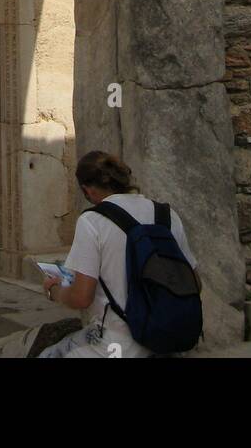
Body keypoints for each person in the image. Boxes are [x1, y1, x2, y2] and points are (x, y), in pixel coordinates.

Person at [40, 151, 199, 359]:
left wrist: (55, 291)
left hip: (119, 344)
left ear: (87, 191)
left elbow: (81, 297)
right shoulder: (167, 215)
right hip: (170, 337)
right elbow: (195, 282)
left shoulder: (92, 221)